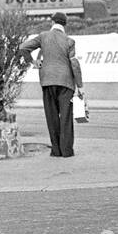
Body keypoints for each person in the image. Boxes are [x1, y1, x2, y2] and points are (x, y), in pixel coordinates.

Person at [18, 11, 84, 157]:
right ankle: (66, 151)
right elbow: (74, 64)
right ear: (65, 25)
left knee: (52, 116)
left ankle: (56, 150)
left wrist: (33, 62)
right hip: (66, 83)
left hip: (47, 81)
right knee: (66, 117)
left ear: (52, 23)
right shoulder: (69, 41)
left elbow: (23, 47)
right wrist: (80, 86)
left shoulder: (43, 36)